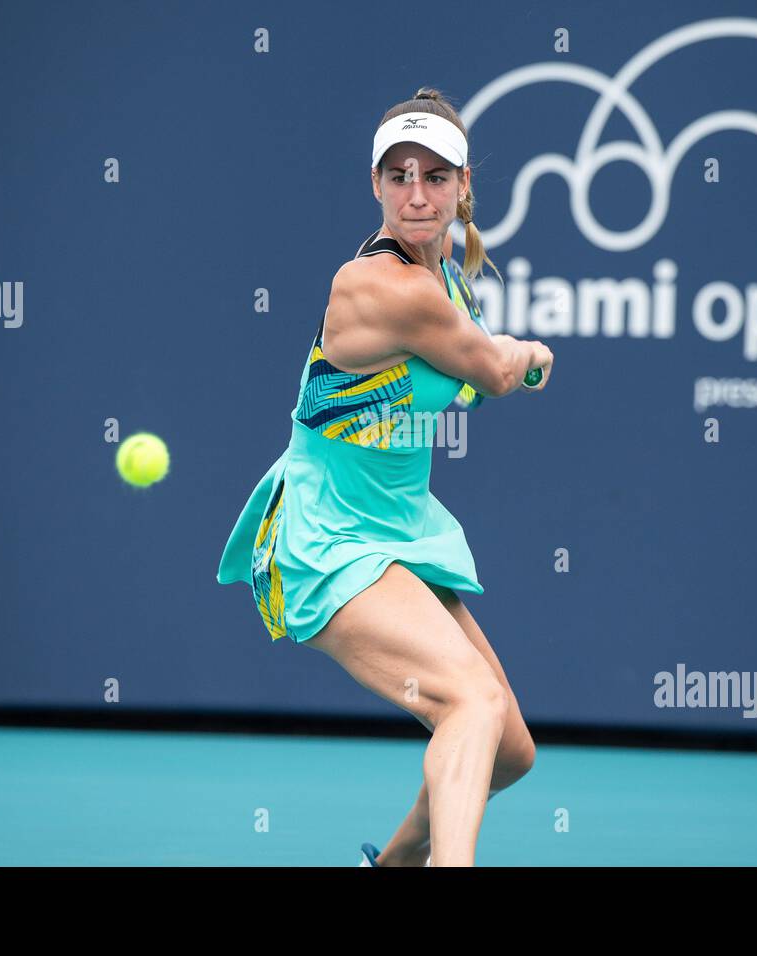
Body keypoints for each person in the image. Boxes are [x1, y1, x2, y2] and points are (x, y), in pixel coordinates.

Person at [215, 87, 553, 866]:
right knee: (469, 700)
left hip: (395, 526)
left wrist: (503, 350)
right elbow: (496, 372)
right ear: (375, 185)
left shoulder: (445, 277)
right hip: (329, 534)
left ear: (464, 186)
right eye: (398, 175)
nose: (416, 193)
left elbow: (473, 353)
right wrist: (528, 354)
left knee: (508, 750)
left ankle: (392, 865)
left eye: (435, 176)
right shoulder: (381, 286)